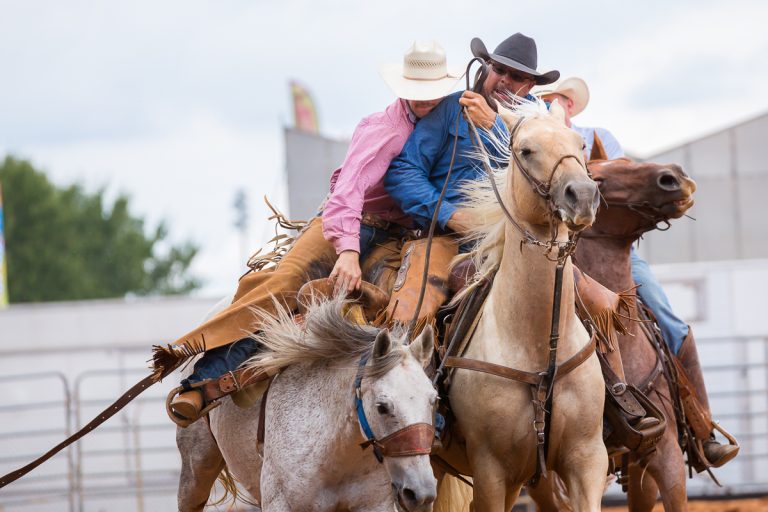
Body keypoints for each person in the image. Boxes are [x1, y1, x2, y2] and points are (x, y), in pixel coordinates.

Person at [165, 41, 462, 425]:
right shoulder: (385, 128)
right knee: (286, 284)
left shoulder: (450, 126)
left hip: (400, 238)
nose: (425, 99)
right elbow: (348, 192)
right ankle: (203, 379)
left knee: (411, 305)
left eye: (432, 91)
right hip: (351, 223)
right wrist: (348, 251)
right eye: (417, 90)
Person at [539, 77, 738, 468]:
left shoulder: (598, 138)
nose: (549, 104)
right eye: (543, 99)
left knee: (669, 320)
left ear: (570, 105)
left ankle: (702, 427)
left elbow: (623, 187)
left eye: (556, 98)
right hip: (558, 253)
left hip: (615, 255)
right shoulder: (536, 145)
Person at [382, 33, 559, 324]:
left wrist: (495, 127)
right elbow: (403, 172)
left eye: (516, 76)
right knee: (412, 310)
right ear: (486, 67)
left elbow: (555, 181)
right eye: (499, 69)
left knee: (589, 301)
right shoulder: (451, 108)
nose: (504, 80)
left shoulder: (542, 123)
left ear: (529, 85)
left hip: (519, 242)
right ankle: (401, 347)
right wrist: (450, 214)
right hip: (446, 239)